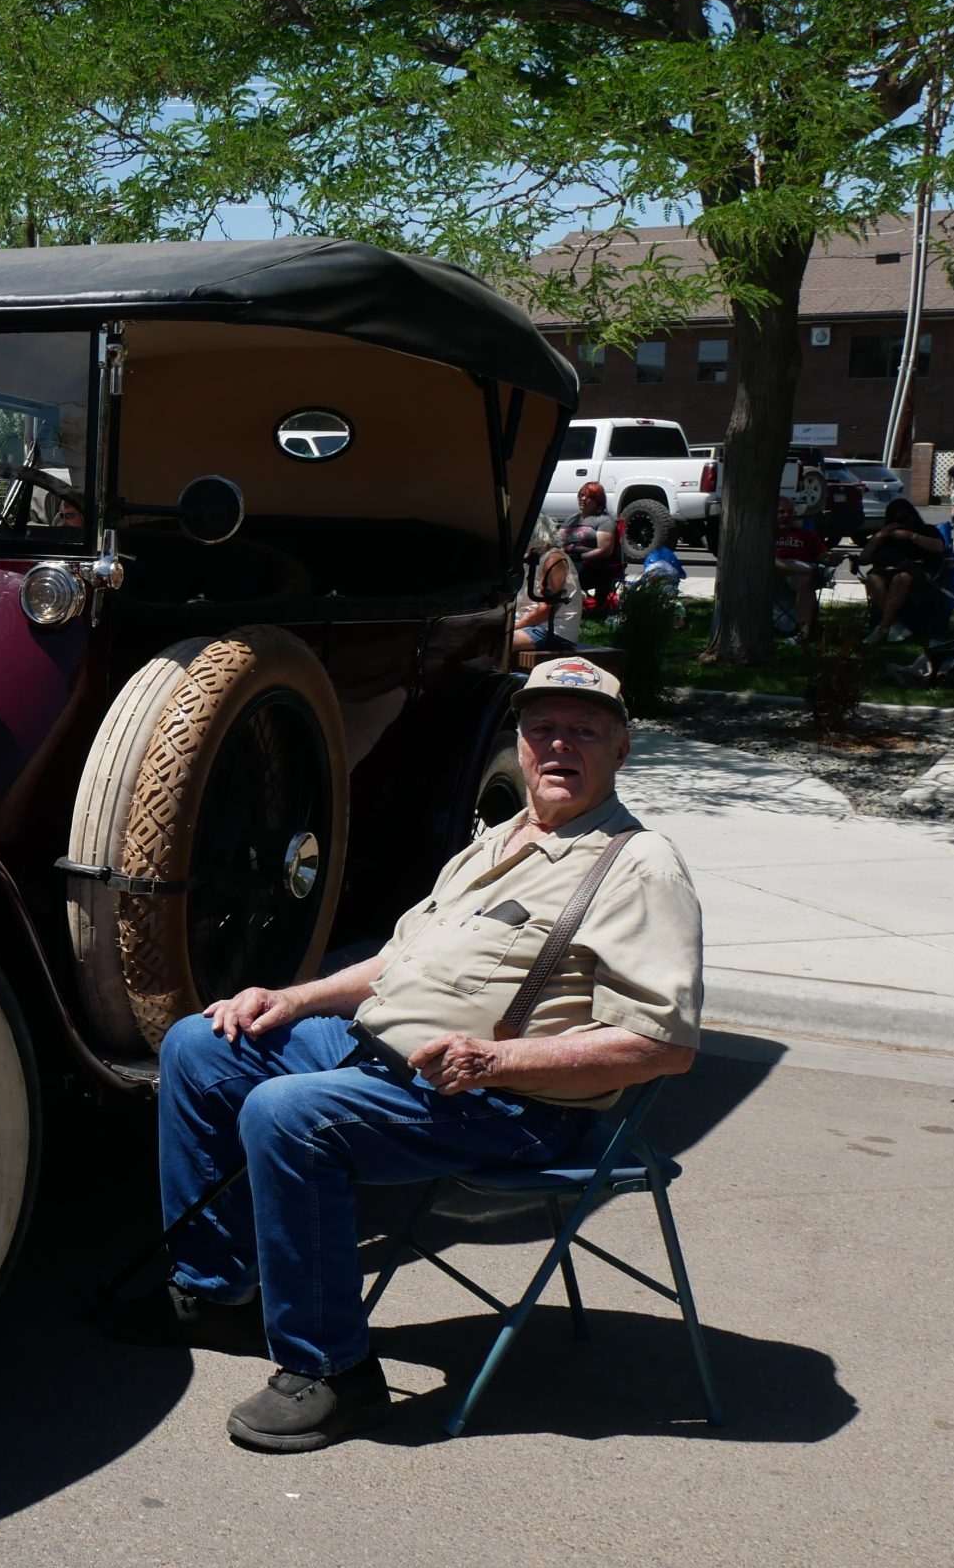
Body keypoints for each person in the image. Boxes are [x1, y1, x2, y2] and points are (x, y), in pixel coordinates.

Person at [118, 656, 703, 1454]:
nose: (558, 746)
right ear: (522, 743)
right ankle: (218, 1291)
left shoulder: (639, 865)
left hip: (513, 1104)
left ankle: (338, 1374)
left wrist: (496, 1062)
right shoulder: (495, 843)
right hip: (381, 1049)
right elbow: (396, 963)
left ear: (621, 748)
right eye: (542, 729)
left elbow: (661, 1046)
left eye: (583, 732)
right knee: (203, 1042)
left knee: (288, 1116)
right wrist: (290, 998)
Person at [857, 497, 945, 644]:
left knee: (902, 577)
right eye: (895, 520)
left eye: (903, 519)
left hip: (918, 573)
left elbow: (938, 547)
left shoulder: (926, 530)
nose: (900, 524)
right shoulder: (886, 537)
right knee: (872, 578)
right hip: (888, 571)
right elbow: (863, 558)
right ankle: (895, 624)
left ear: (911, 516)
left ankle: (883, 627)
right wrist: (878, 537)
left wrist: (911, 536)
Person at [773, 497, 830, 643]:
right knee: (770, 560)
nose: (786, 515)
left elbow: (823, 556)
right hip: (774, 576)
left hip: (801, 578)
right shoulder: (766, 534)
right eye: (781, 512)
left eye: (789, 512)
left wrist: (831, 558)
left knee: (807, 579)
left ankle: (804, 632)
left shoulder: (806, 534)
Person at [558, 482, 620, 609]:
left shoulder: (604, 520)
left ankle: (557, 607)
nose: (583, 499)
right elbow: (557, 540)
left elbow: (604, 551)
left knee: (559, 572)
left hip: (589, 566)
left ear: (598, 500)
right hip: (566, 560)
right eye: (581, 495)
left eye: (588, 496)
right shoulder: (572, 518)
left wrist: (578, 557)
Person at [511, 547, 581, 652]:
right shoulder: (529, 558)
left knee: (495, 643)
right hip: (528, 625)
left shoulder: (553, 559)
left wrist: (512, 628)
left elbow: (546, 610)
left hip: (552, 630)